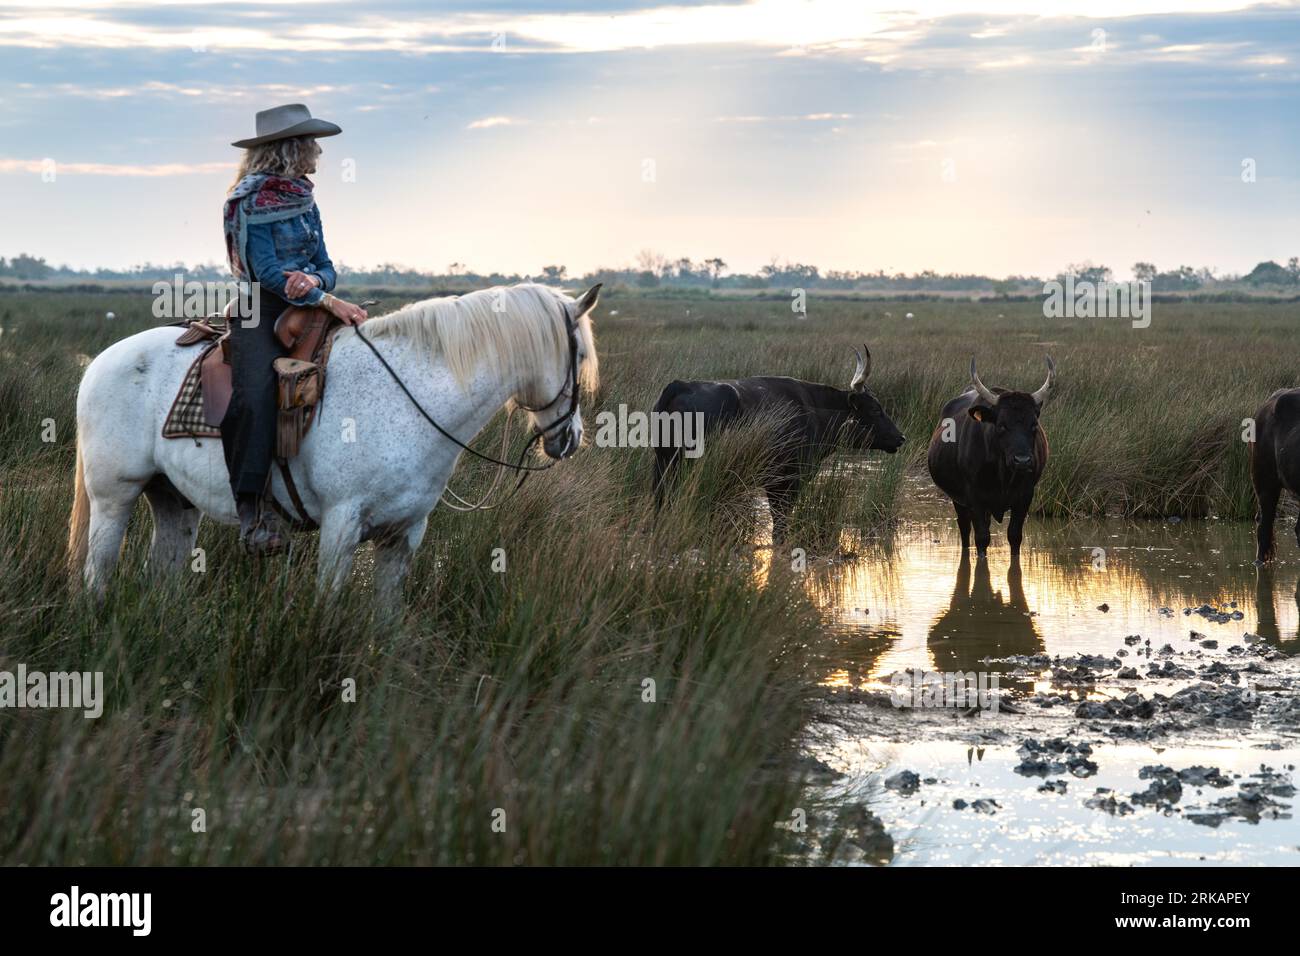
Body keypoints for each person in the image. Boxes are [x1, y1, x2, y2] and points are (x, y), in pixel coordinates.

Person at [221, 104, 368, 554]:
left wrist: (319, 283)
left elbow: (326, 265)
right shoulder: (249, 200)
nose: (319, 151)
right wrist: (323, 297)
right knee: (257, 394)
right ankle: (252, 510)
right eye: (312, 143)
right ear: (292, 148)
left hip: (310, 305)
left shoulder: (304, 196)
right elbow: (265, 271)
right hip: (258, 308)